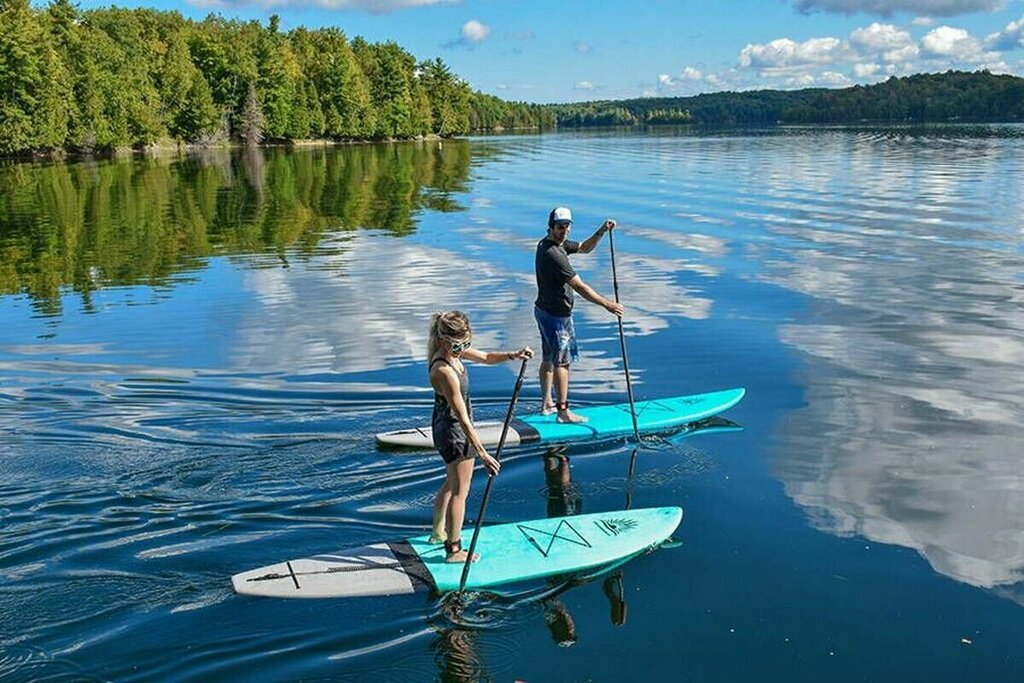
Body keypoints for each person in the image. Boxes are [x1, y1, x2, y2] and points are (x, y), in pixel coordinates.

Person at [428, 311, 533, 563]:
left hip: (447, 428)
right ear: (444, 339)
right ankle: (454, 550)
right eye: (459, 345)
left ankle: (437, 532)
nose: (463, 348)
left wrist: (513, 355)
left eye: (466, 343)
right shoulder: (444, 370)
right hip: (454, 432)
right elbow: (462, 417)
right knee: (460, 492)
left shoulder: (454, 353)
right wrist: (483, 453)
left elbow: (486, 357)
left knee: (451, 483)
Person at [535, 206, 624, 423]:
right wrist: (607, 304)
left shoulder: (553, 243)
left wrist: (601, 231)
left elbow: (584, 248)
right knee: (562, 363)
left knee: (548, 358)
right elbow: (579, 286)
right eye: (559, 227)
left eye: (566, 227)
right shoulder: (553, 254)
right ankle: (563, 412)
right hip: (557, 317)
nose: (563, 231)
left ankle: (547, 404)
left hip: (543, 310)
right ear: (550, 227)